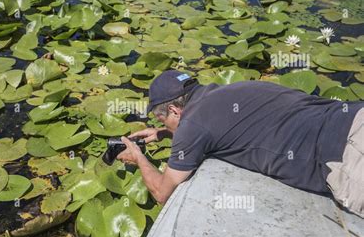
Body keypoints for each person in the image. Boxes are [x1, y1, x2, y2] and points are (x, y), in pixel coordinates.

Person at [116, 70, 364, 218]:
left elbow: (162, 193)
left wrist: (138, 156)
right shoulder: (233, 90)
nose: (163, 124)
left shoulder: (191, 126)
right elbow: (220, 124)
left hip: (348, 154)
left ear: (173, 110)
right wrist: (164, 133)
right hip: (354, 116)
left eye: (162, 119)